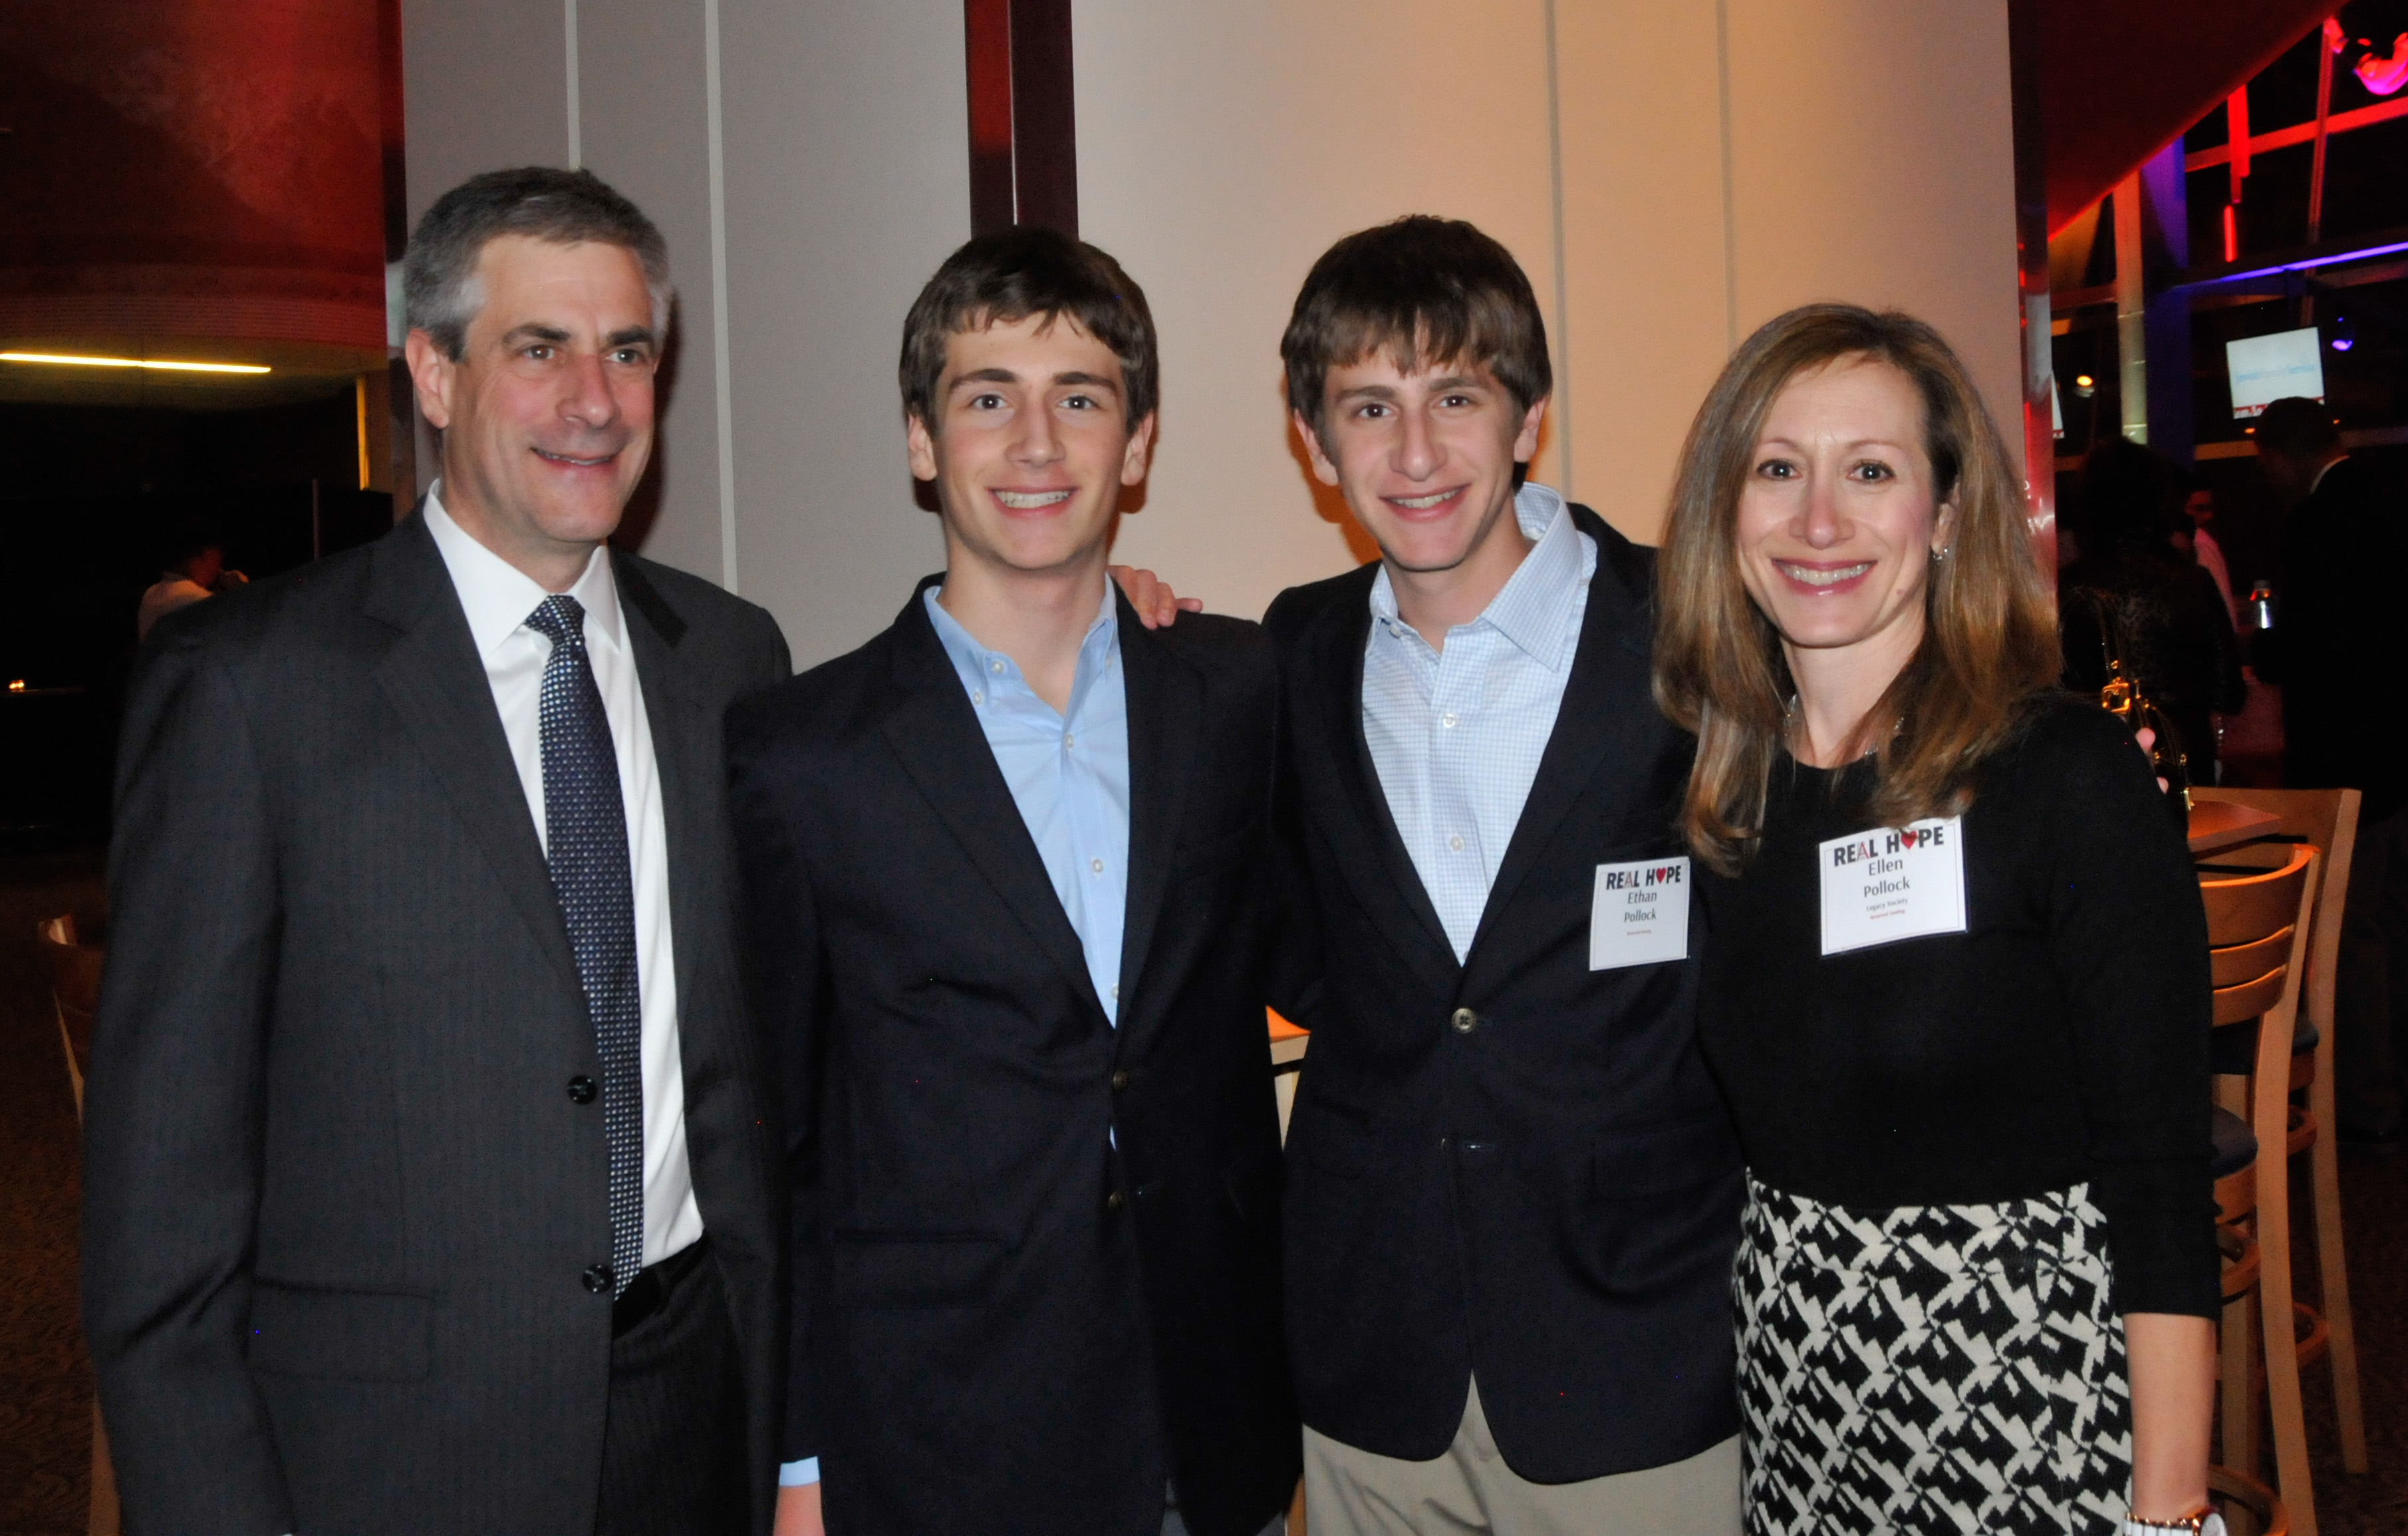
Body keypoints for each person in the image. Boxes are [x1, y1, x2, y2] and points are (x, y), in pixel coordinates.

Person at [84, 167, 793, 1535]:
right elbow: (155, 1224)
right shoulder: (248, 685)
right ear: (433, 371)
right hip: (392, 1455)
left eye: (628, 350)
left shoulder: (729, 658)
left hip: (694, 1410)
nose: (595, 398)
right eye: (540, 347)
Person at [726, 226, 1299, 1536]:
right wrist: (801, 1458)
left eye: (1079, 399)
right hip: (934, 1437)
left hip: (1208, 1423)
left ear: (1137, 445)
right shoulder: (798, 754)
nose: (1037, 444)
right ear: (923, 440)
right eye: (988, 398)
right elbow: (777, 1148)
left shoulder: (1230, 693)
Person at [1653, 303, 2219, 1534]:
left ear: (1949, 514)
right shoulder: (1718, 793)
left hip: (2026, 1391)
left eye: (1870, 471)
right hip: (1802, 1396)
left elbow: (2161, 1174)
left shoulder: (2061, 773)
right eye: (1778, 469)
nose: (1818, 520)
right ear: (1726, 510)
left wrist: (2168, 1514)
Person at [1264, 216, 1743, 1535]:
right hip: (1374, 1364)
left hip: (1639, 1350)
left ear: (1525, 414)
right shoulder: (1287, 659)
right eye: (1368, 405)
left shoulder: (1692, 638)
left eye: (1454, 397)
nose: (1412, 453)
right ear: (1315, 443)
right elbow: (1307, 946)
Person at [2256, 394, 2408, 1142]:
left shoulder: (2316, 524)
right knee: (2392, 925)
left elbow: (2316, 650)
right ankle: (2391, 1094)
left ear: (2284, 457)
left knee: (2352, 937)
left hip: (2349, 760)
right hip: (2397, 753)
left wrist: (2266, 650)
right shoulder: (2388, 498)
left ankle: (2365, 1108)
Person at [2058, 438, 2244, 785]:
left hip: (2095, 769)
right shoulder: (2191, 582)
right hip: (2185, 768)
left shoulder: (2066, 589)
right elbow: (2229, 692)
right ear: (2159, 501)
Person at [136, 524, 244, 640]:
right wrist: (242, 593)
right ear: (207, 553)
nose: (219, 567)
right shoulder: (199, 600)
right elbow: (240, 638)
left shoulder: (151, 594)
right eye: (220, 555)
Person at [2173, 471, 2238, 626]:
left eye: (2210, 508)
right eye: (2199, 508)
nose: (2209, 516)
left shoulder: (2201, 544)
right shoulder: (2200, 542)